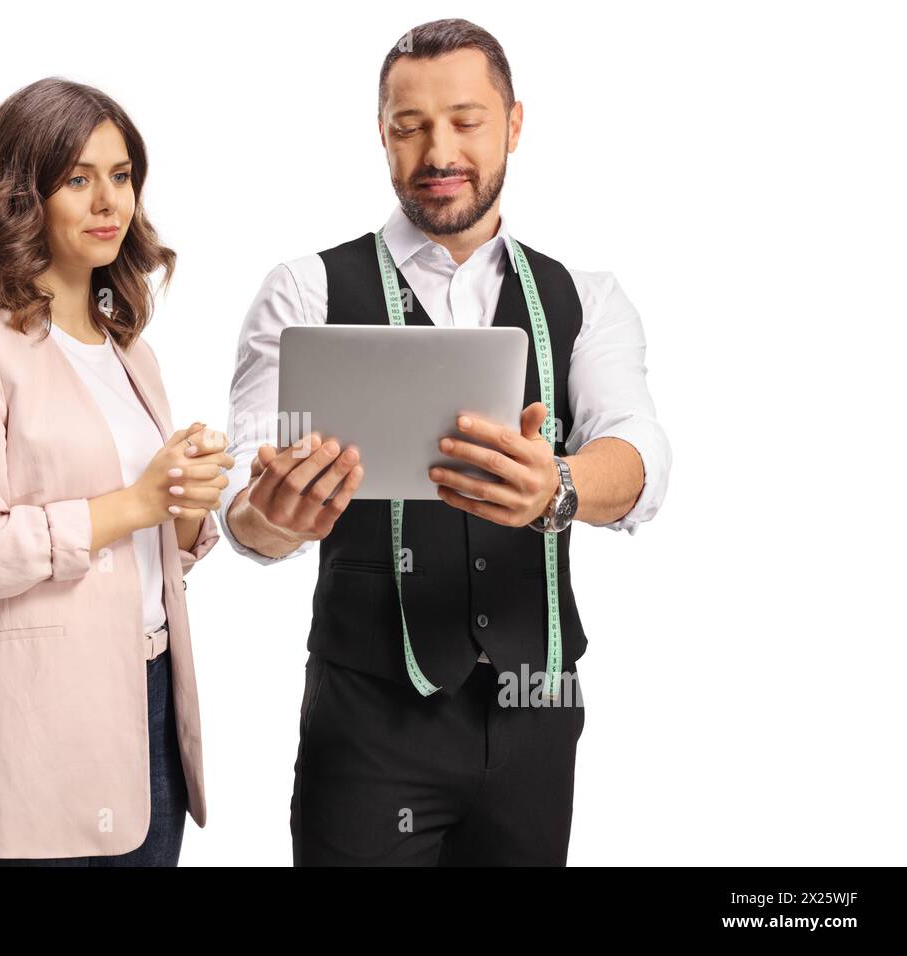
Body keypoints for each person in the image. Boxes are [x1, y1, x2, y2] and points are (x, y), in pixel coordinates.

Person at [220, 19, 672, 865]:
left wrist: (559, 487)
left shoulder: (586, 298)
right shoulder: (306, 290)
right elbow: (243, 499)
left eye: (466, 120)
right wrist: (272, 515)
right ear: (381, 133)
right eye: (409, 126)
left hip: (537, 708)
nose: (439, 150)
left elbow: (641, 454)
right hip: (366, 719)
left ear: (514, 123)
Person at [0, 77, 233, 866]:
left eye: (121, 176)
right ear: (24, 197)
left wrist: (188, 505)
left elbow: (158, 547)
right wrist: (131, 501)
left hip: (149, 710)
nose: (108, 202)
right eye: (78, 179)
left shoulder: (133, 355)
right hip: (31, 732)